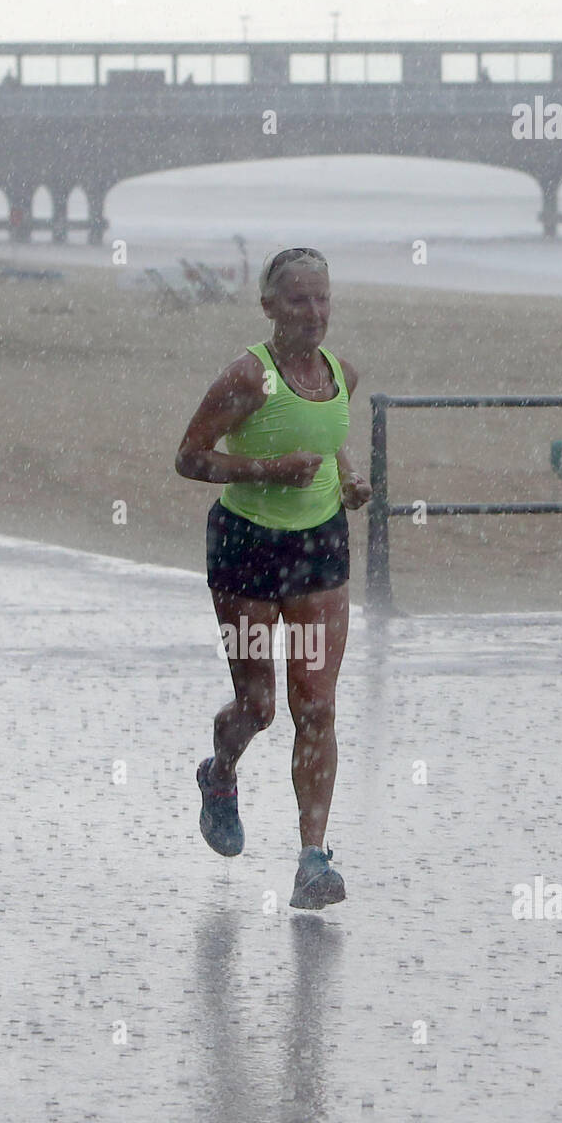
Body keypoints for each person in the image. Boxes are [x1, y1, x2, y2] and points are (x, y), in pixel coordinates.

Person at [175, 246, 373, 910]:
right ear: (268, 307)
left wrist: (345, 474)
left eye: (321, 298)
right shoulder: (247, 378)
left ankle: (312, 859)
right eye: (297, 300)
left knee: (314, 704)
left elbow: (326, 428)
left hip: (318, 549)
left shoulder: (341, 373)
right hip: (246, 550)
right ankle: (220, 773)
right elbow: (189, 458)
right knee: (259, 706)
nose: (313, 312)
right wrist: (264, 470)